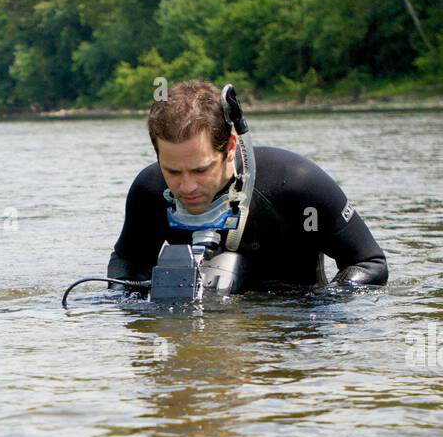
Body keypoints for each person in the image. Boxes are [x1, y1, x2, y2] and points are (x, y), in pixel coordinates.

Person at [107, 79, 388, 292]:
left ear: (230, 147)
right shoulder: (150, 191)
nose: (187, 186)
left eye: (201, 169)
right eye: (172, 171)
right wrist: (128, 301)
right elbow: (128, 262)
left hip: (292, 331)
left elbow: (371, 264)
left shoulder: (298, 184)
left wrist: (332, 306)